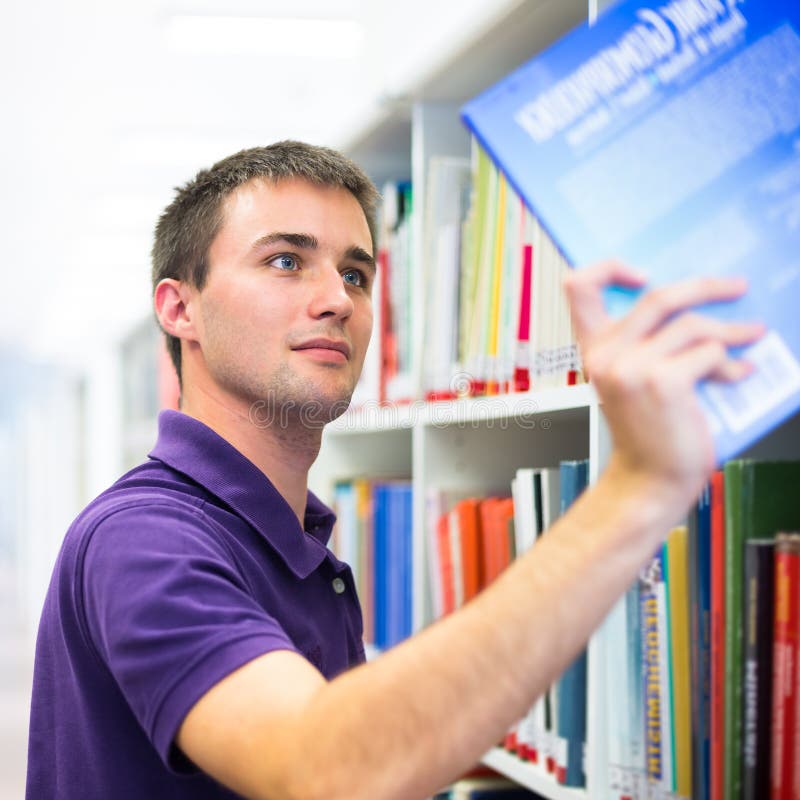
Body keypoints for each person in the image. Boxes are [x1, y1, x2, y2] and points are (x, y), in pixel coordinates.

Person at [26, 141, 763, 800]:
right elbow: (321, 771)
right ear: (178, 308)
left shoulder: (295, 535)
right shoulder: (144, 540)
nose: (335, 300)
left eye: (355, 273)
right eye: (286, 260)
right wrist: (638, 486)